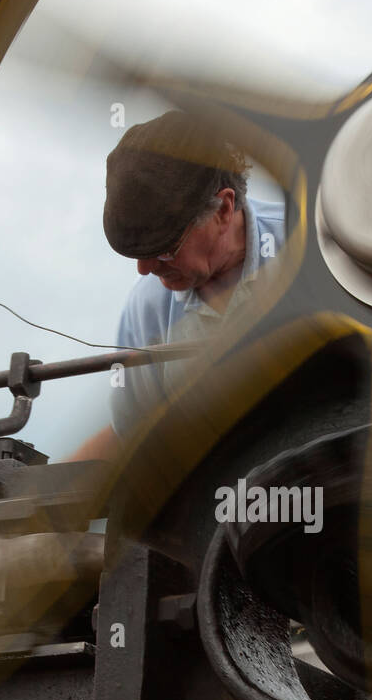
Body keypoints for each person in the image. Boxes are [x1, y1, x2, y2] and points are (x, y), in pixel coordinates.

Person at [66, 110, 285, 461]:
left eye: (164, 250)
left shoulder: (312, 248)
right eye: (138, 254)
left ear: (223, 209)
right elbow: (134, 437)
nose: (144, 269)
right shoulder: (146, 309)